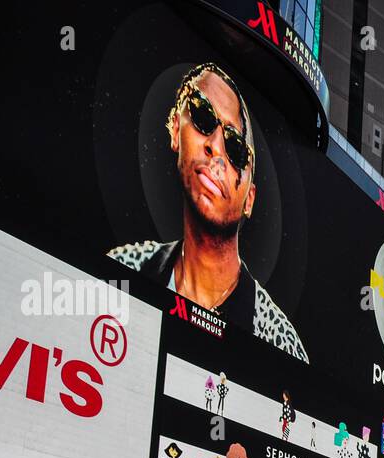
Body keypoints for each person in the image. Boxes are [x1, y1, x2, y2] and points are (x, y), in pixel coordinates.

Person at [107, 63, 306, 361]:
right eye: (202, 115)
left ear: (249, 200)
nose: (215, 147)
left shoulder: (280, 344)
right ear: (175, 129)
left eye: (236, 148)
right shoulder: (121, 271)